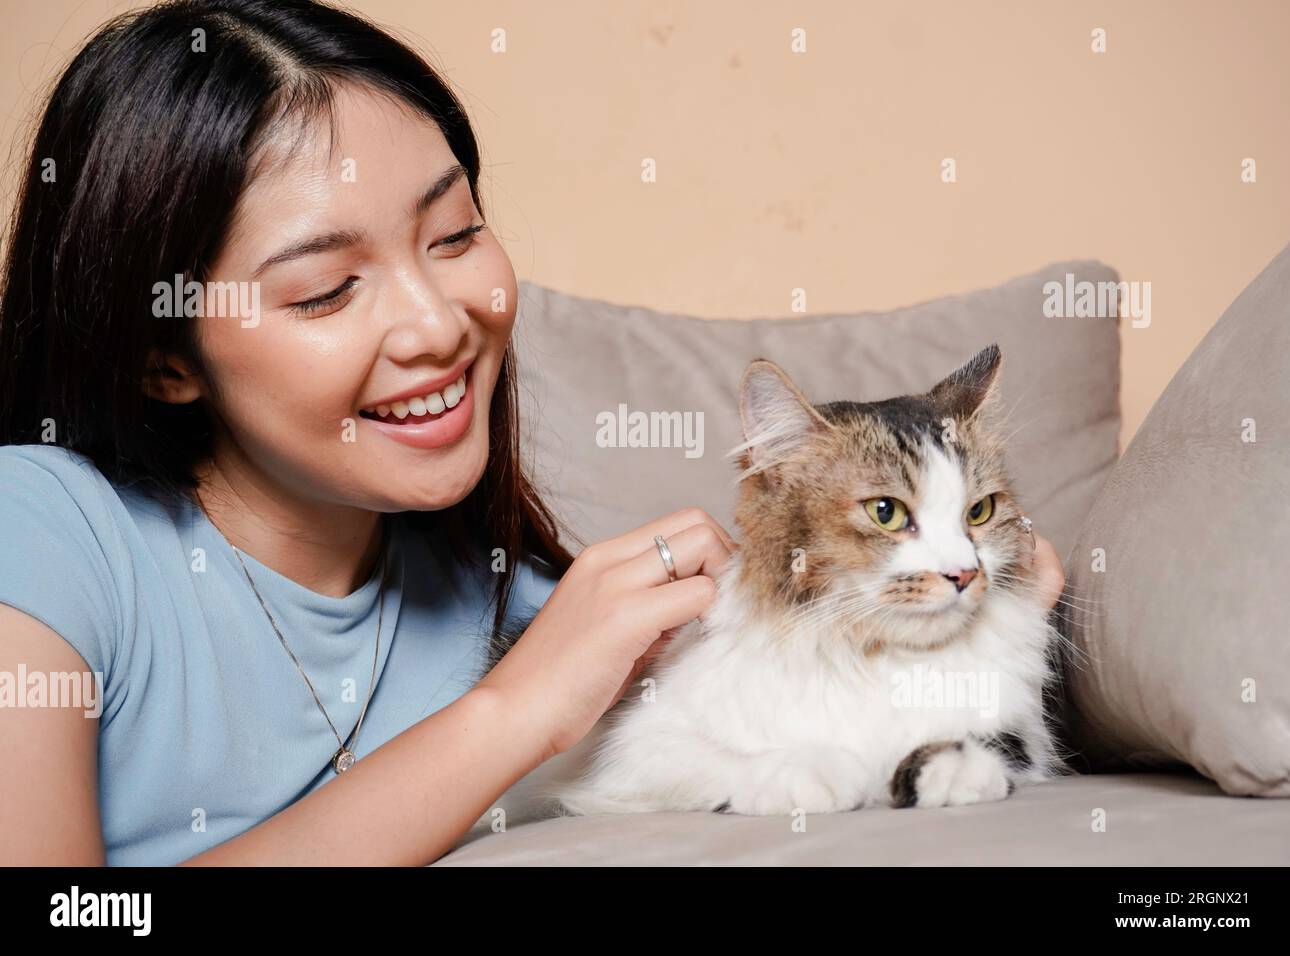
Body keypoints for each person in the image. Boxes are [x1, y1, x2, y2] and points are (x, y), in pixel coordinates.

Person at [0, 0, 1065, 865]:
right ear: (165, 355)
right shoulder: (44, 527)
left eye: (454, 232)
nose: (437, 321)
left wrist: (978, 612)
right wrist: (512, 711)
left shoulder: (504, 593)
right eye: (325, 290)